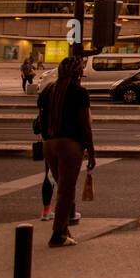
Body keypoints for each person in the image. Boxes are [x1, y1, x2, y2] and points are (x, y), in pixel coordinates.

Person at [36, 56, 95, 247]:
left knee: (62, 188)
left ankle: (63, 231)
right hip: (70, 144)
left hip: (49, 144)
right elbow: (84, 124)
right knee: (66, 192)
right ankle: (57, 236)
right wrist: (91, 151)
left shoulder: (47, 90)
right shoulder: (79, 92)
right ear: (77, 72)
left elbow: (40, 120)